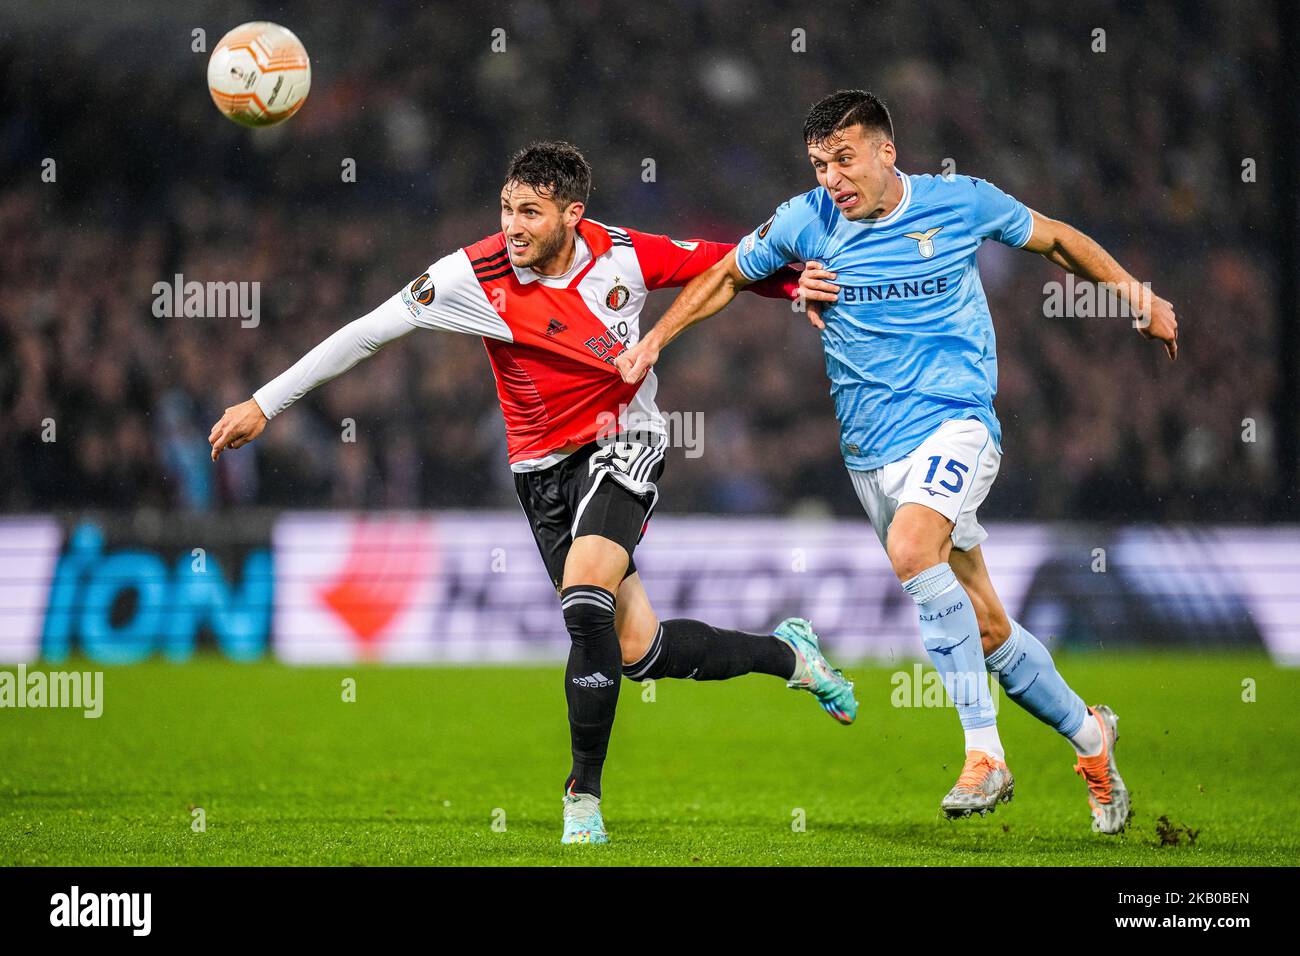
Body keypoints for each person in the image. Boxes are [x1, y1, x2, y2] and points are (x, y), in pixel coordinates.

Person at [208, 141, 858, 846]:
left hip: (624, 442)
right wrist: (264, 404)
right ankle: (791, 656)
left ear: (572, 215)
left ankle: (583, 794)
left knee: (585, 600)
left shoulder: (625, 254)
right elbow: (368, 333)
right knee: (637, 650)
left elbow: (732, 265)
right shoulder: (470, 274)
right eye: (506, 209)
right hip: (541, 471)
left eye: (530, 212)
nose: (512, 226)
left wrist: (799, 286)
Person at [616, 91, 1178, 834]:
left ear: (887, 150)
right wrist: (657, 341)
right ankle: (1091, 739)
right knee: (986, 629)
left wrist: (1134, 295)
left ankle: (985, 756)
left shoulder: (961, 203)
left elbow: (1057, 239)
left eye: (844, 160)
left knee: (916, 549)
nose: (832, 179)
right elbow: (726, 274)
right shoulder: (805, 221)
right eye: (819, 164)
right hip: (870, 455)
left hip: (956, 424)